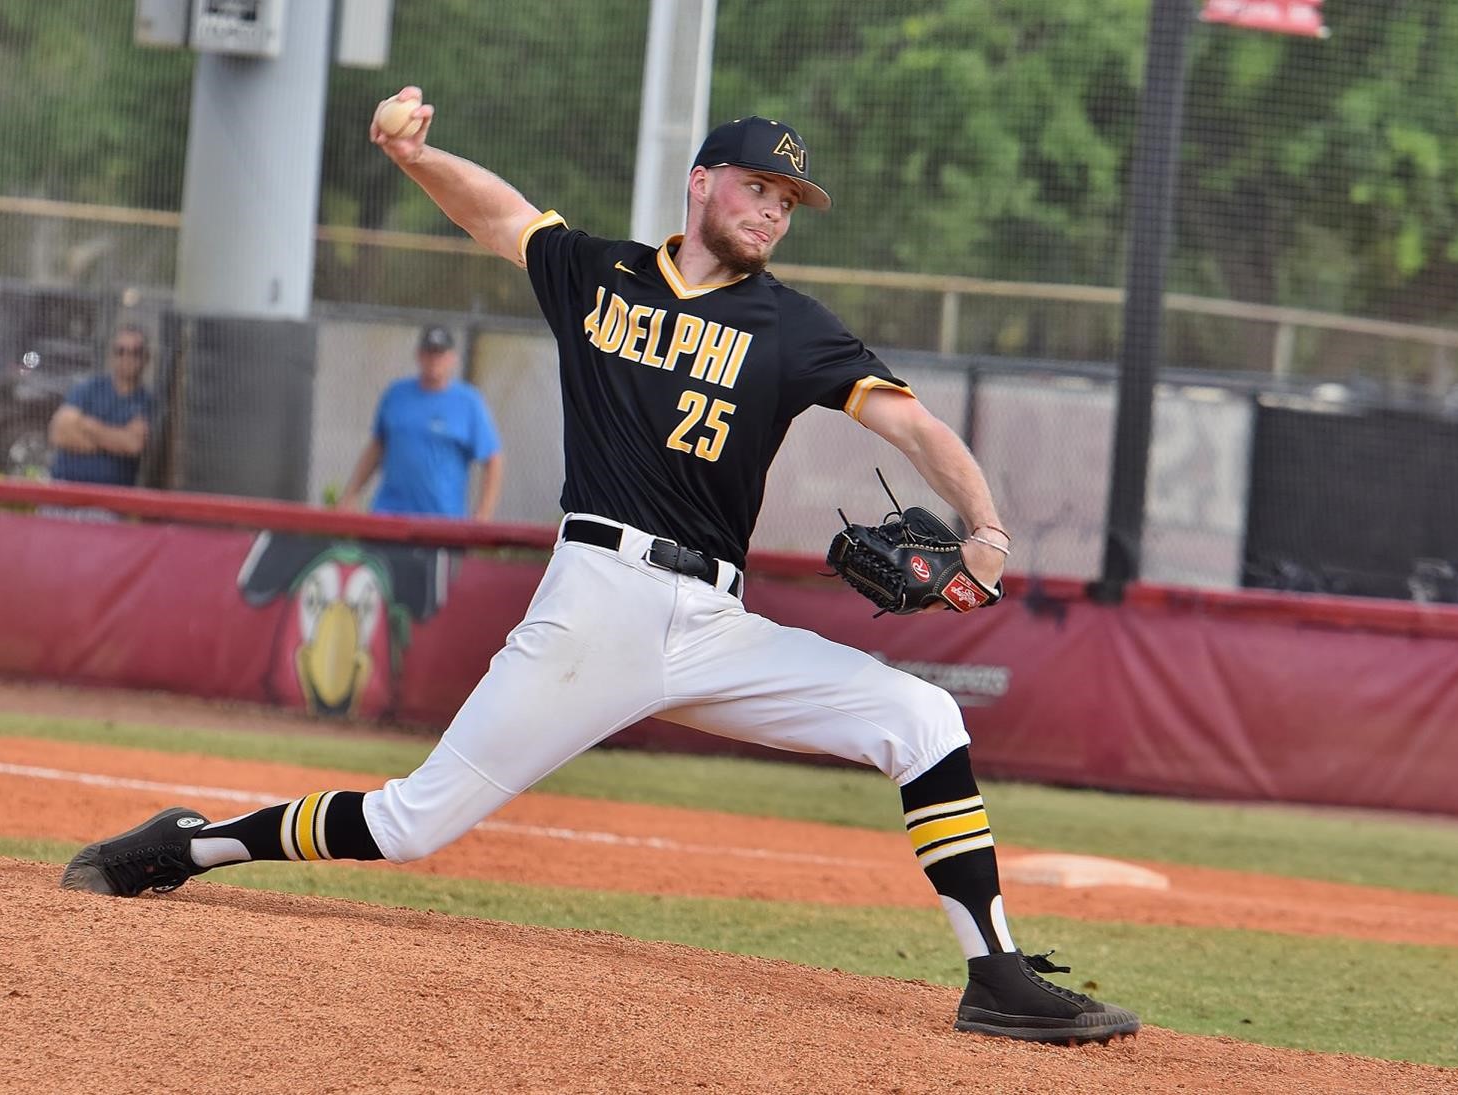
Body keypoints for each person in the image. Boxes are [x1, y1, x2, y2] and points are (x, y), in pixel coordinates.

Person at [62, 88, 1140, 1045]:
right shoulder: (600, 276)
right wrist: (414, 157)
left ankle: (995, 977)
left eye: (786, 202)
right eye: (757, 187)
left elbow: (910, 426)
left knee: (923, 719)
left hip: (716, 625)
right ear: (702, 182)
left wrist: (985, 527)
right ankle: (191, 845)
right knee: (409, 822)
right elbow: (498, 214)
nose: (771, 211)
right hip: (597, 603)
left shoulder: (789, 327)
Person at [336, 324, 505, 519]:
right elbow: (377, 446)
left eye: (440, 354)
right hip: (389, 516)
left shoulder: (469, 403)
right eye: (429, 353)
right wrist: (351, 494)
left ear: (453, 358)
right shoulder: (396, 395)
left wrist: (483, 513)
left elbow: (493, 460)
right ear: (418, 355)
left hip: (442, 522)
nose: (434, 360)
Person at [47, 324, 154, 486]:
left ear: (146, 358)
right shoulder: (89, 387)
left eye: (135, 352)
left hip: (110, 495)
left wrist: (87, 425)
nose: (127, 357)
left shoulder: (146, 401)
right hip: (66, 488)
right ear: (112, 355)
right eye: (120, 351)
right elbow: (59, 433)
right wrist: (112, 443)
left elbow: (133, 444)